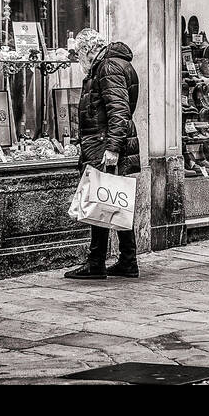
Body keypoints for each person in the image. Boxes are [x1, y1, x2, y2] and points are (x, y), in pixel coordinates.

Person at [64, 28, 141, 280]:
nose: (79, 61)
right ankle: (127, 260)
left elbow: (119, 111)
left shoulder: (108, 67)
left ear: (87, 50)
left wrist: (112, 148)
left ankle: (97, 261)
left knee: (102, 200)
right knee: (113, 201)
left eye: (79, 55)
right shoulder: (111, 65)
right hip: (104, 141)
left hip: (104, 142)